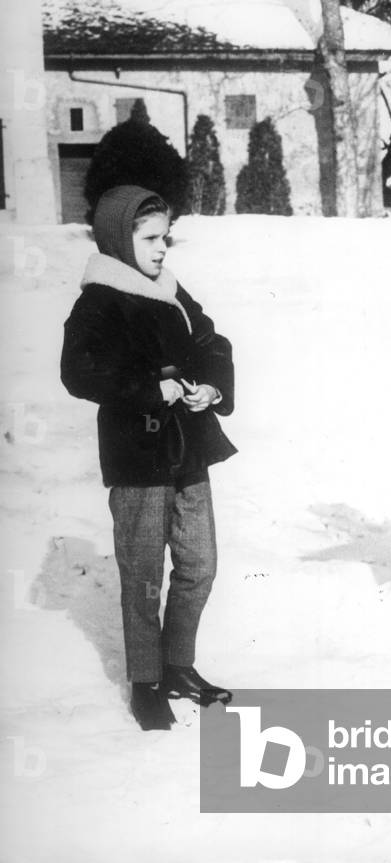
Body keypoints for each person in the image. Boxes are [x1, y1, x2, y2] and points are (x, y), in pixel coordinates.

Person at [61, 184, 237, 731]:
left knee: (199, 565)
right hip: (138, 454)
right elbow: (78, 371)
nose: (163, 249)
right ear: (119, 238)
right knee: (142, 577)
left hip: (188, 448)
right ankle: (145, 683)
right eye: (151, 238)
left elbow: (211, 340)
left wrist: (210, 385)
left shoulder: (170, 289)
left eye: (167, 238)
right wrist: (146, 387)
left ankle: (178, 666)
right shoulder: (101, 296)